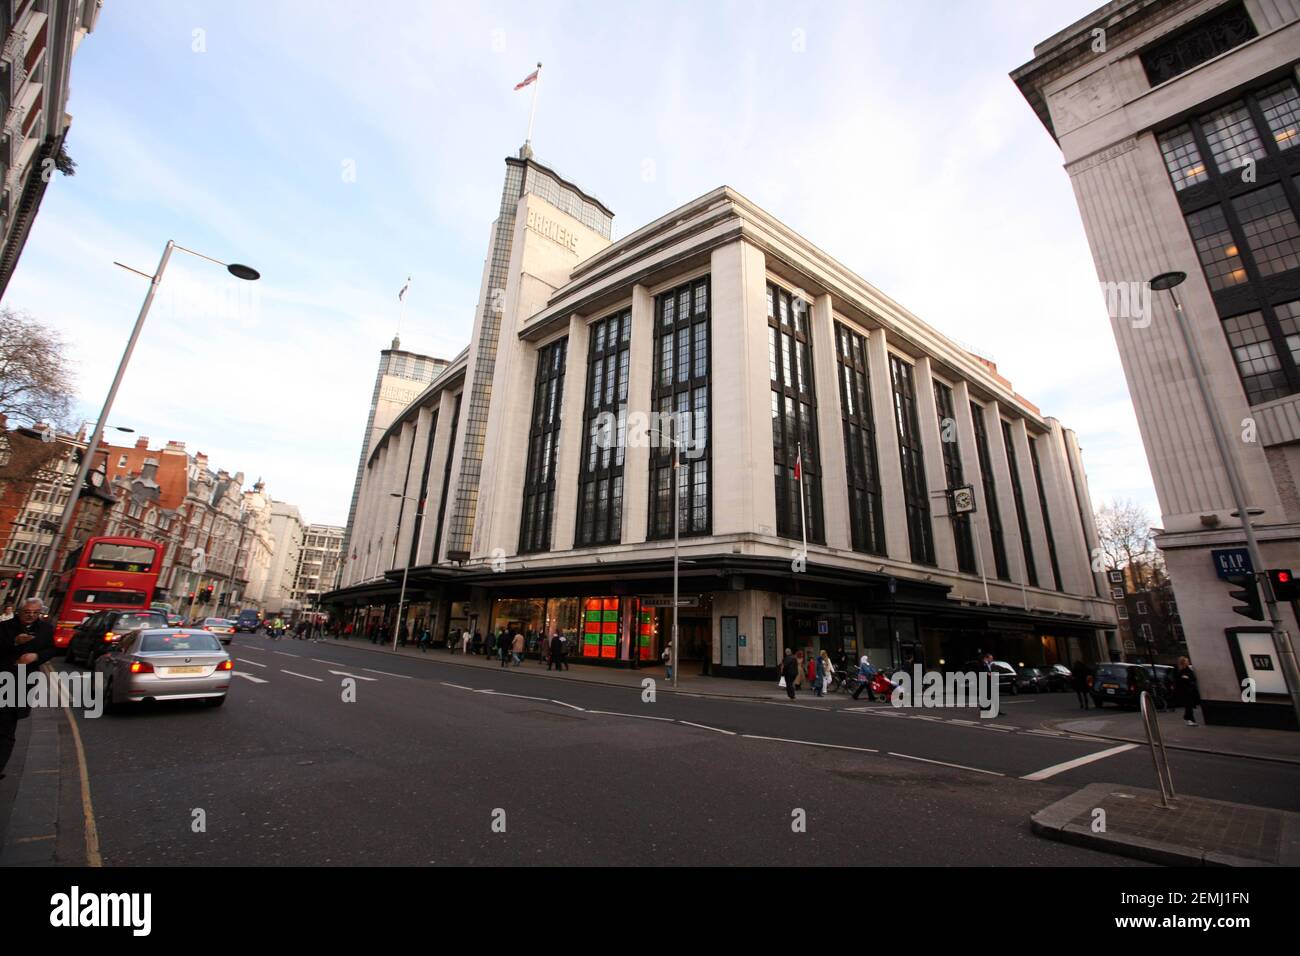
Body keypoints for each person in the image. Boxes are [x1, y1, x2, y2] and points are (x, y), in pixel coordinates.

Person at [1, 598, 60, 779]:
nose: (31, 616)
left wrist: (36, 656)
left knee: (7, 728)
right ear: (20, 611)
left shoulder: (46, 629)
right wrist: (15, 643)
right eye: (27, 612)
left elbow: (51, 650)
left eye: (35, 613)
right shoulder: (4, 628)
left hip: (22, 683)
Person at [1175, 656, 1200, 726]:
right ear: (1183, 663)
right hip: (1184, 691)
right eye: (1186, 661)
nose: (1188, 662)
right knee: (1189, 706)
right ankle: (1189, 719)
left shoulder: (1188, 670)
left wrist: (1188, 678)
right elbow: (1178, 681)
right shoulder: (1180, 671)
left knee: (1189, 705)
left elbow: (1192, 679)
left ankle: (1188, 718)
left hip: (1189, 690)